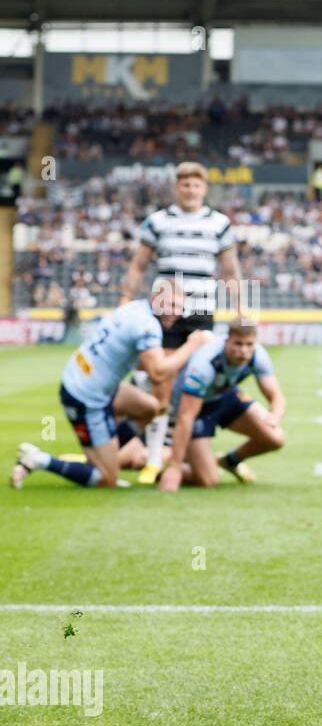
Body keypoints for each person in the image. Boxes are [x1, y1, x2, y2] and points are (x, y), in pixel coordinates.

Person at [12, 280, 209, 489]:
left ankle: (104, 451)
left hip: (90, 380)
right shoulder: (148, 326)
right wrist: (192, 345)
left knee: (151, 408)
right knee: (107, 479)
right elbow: (158, 372)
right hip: (86, 396)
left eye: (179, 307)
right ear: (155, 299)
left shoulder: (134, 308)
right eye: (170, 305)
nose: (175, 312)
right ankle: (38, 459)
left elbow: (140, 362)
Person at [120, 161, 243, 484]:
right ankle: (154, 455)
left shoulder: (219, 223)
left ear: (204, 189)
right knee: (160, 379)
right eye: (185, 184)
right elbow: (138, 265)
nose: (190, 190)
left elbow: (230, 270)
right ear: (177, 187)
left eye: (196, 185)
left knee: (193, 381)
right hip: (165, 310)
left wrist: (240, 307)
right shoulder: (158, 221)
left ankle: (184, 450)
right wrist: (124, 301)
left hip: (202, 311)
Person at [159, 323, 286, 492]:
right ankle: (170, 467)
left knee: (275, 438)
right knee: (208, 480)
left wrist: (273, 417)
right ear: (227, 341)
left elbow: (277, 397)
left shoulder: (258, 355)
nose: (244, 351)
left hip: (226, 396)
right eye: (238, 344)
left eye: (249, 344)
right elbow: (186, 416)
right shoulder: (204, 365)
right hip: (196, 406)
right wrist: (175, 467)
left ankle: (230, 460)